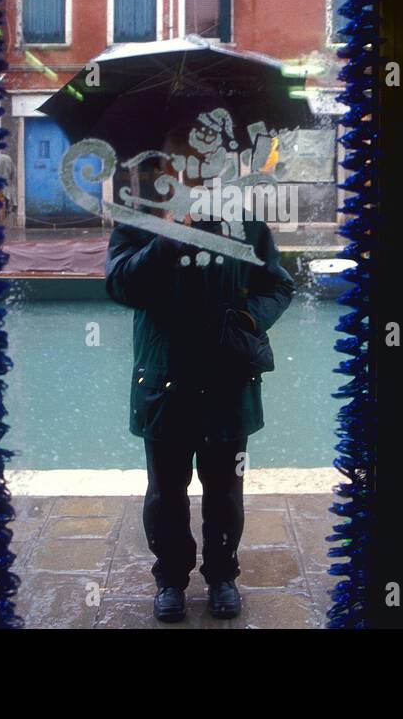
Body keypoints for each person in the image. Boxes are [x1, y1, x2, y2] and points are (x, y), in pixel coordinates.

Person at [105, 122, 294, 623]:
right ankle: (170, 579)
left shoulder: (245, 224)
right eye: (178, 160)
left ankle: (222, 576)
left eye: (200, 161)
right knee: (166, 493)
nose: (191, 170)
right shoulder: (135, 222)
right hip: (164, 384)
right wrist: (168, 237)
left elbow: (279, 285)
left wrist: (252, 317)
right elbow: (121, 286)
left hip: (227, 384)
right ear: (162, 168)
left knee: (225, 492)